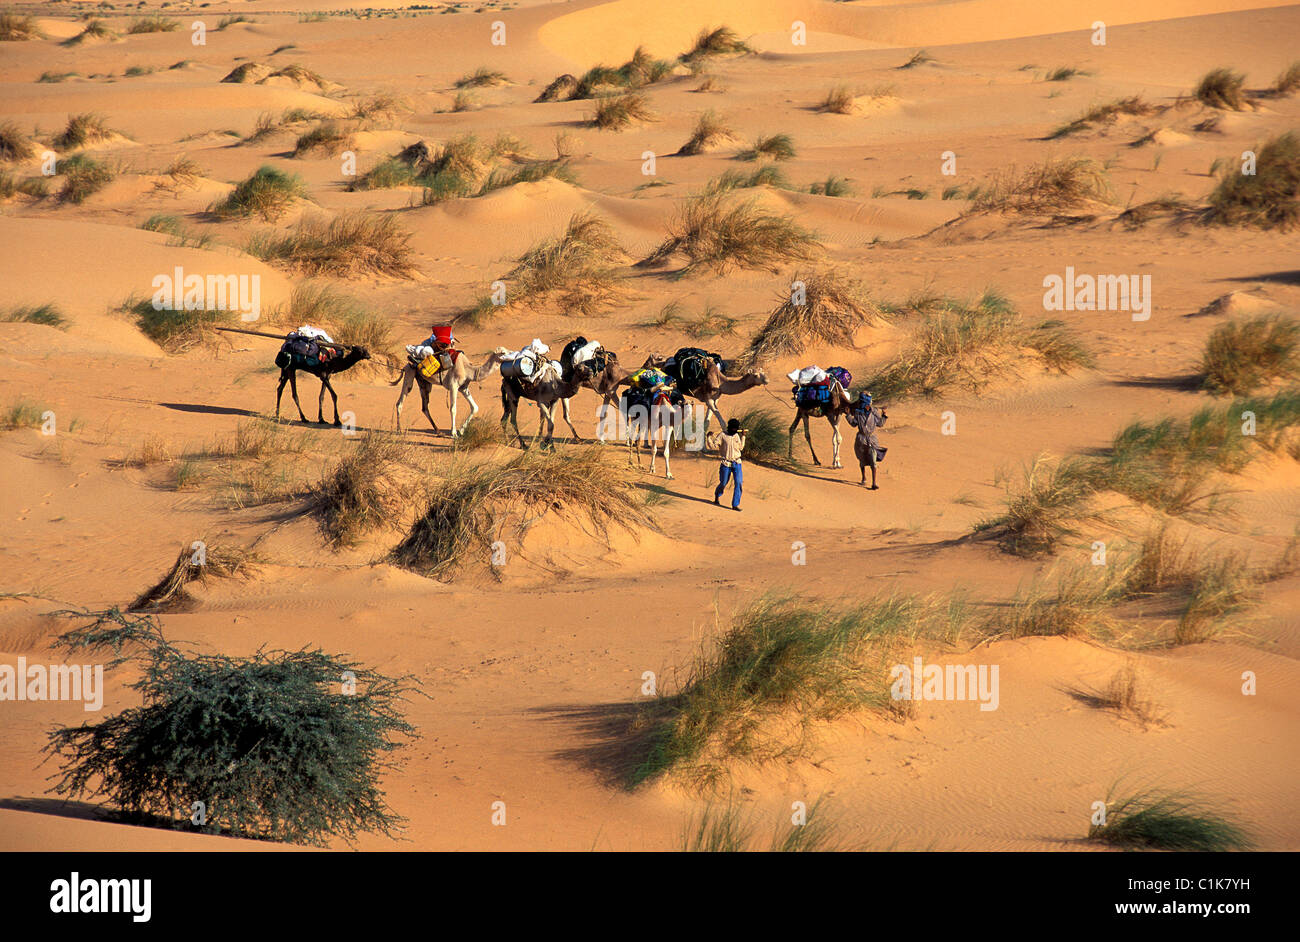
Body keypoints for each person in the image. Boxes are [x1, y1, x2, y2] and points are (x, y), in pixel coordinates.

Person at [846, 392, 888, 489]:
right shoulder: (858, 412)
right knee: (862, 459)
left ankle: (874, 483)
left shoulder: (874, 412)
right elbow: (853, 423)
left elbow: (880, 424)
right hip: (861, 439)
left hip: (872, 439)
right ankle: (864, 478)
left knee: (873, 460)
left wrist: (884, 415)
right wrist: (848, 415)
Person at [713, 418, 746, 511]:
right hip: (726, 463)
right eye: (733, 428)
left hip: (737, 462)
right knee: (723, 482)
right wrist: (708, 438)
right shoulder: (722, 435)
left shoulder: (737, 436)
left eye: (736, 429)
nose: (734, 430)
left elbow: (741, 448)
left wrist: (743, 436)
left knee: (738, 482)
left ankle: (735, 504)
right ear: (729, 427)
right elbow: (714, 445)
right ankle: (717, 495)